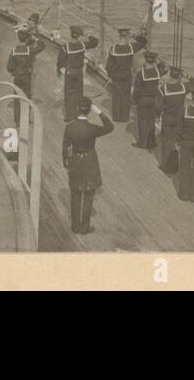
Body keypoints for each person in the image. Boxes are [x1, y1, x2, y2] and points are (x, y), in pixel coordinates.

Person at [61, 97, 115, 234]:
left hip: (75, 161)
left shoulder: (70, 127)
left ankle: (75, 226)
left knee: (75, 194)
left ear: (77, 109)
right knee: (89, 194)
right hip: (90, 161)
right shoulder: (92, 129)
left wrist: (67, 163)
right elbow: (110, 127)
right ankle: (85, 227)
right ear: (89, 111)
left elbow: (65, 147)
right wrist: (99, 112)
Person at [59, 25, 99, 122]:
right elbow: (95, 42)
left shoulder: (65, 47)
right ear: (79, 36)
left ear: (71, 34)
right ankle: (78, 115)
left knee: (68, 94)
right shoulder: (82, 45)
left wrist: (63, 70)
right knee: (78, 93)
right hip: (79, 72)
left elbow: (61, 61)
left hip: (69, 72)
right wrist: (88, 35)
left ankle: (69, 116)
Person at [156, 65, 187, 172]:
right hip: (179, 118)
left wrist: (157, 115)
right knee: (176, 142)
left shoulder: (163, 89)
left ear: (170, 75)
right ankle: (175, 166)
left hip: (168, 118)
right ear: (179, 76)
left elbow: (159, 106)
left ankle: (165, 165)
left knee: (166, 142)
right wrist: (187, 76)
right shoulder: (183, 87)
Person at [104, 27, 136, 122]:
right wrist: (135, 36)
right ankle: (124, 117)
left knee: (117, 95)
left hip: (117, 75)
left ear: (119, 35)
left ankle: (116, 117)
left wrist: (111, 75)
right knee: (126, 95)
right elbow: (143, 42)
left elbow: (108, 66)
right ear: (127, 35)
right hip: (126, 75)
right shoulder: (131, 48)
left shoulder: (113, 48)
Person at [131, 50, 162, 148]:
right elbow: (164, 67)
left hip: (143, 100)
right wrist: (157, 62)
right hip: (154, 99)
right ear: (153, 61)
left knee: (142, 121)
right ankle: (151, 142)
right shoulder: (158, 72)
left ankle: (143, 143)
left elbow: (137, 89)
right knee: (151, 121)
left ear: (145, 60)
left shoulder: (141, 73)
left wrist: (135, 101)